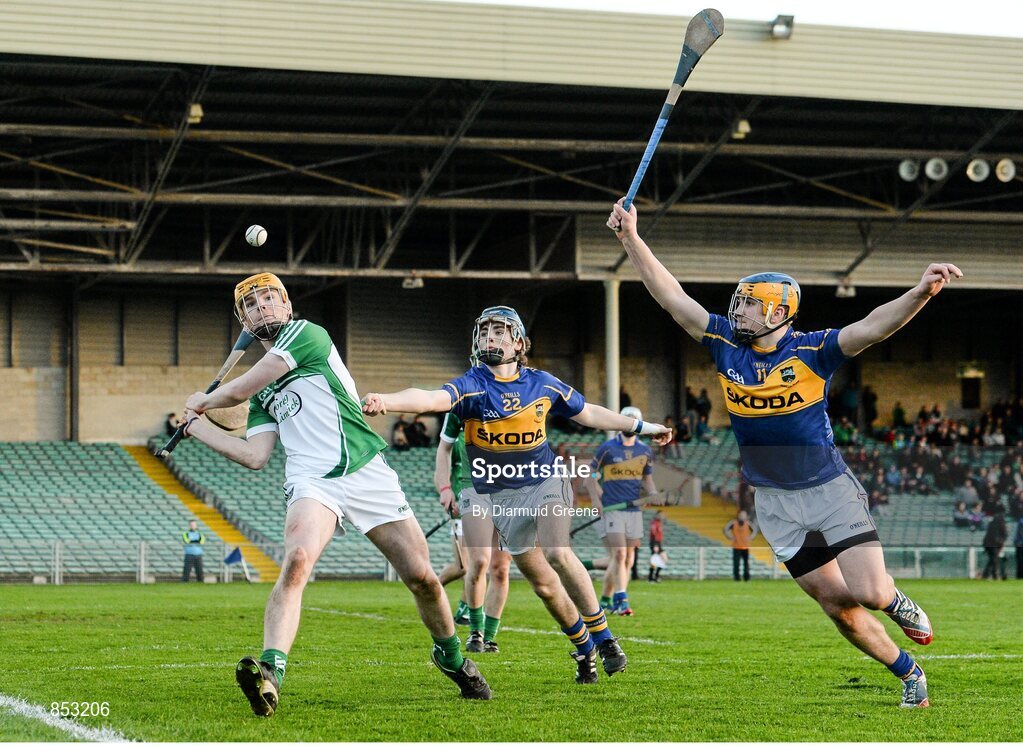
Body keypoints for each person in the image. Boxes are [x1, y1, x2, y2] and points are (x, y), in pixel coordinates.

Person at [609, 198, 960, 708]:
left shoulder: (814, 350)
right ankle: (909, 674)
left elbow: (873, 326)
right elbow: (671, 297)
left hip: (829, 491)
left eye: (750, 304)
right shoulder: (723, 342)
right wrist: (630, 238)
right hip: (773, 502)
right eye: (739, 302)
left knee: (869, 593)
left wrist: (920, 292)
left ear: (779, 312)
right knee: (838, 607)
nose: (739, 310)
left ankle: (895, 600)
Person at [179, 272, 491, 716]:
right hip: (312, 480)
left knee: (422, 577)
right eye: (251, 305)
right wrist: (196, 428)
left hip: (366, 470)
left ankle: (452, 658)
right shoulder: (263, 395)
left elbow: (242, 386)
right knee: (297, 561)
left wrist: (205, 399)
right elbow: (254, 455)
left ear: (287, 305)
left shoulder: (307, 334)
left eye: (269, 298)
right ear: (244, 321)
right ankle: (271, 673)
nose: (262, 307)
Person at [362, 305, 672, 684]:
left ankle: (605, 638)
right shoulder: (472, 385)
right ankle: (583, 647)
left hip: (546, 482)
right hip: (502, 497)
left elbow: (589, 413)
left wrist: (643, 427)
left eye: (498, 332)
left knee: (558, 552)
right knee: (544, 586)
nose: (488, 338)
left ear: (519, 343)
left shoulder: (542, 383)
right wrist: (387, 400)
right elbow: (429, 398)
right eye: (483, 332)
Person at [435, 411, 511, 653]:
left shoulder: (515, 405)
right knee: (475, 563)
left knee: (501, 568)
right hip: (473, 493)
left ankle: (489, 637)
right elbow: (444, 451)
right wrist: (445, 489)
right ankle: (475, 631)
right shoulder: (460, 409)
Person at [584, 406, 659, 616]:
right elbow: (590, 474)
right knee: (619, 554)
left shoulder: (645, 451)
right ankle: (622, 601)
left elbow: (647, 479)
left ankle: (605, 600)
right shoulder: (607, 448)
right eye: (627, 419)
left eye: (634, 420)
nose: (630, 424)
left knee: (627, 560)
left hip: (633, 510)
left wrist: (653, 493)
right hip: (612, 508)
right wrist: (595, 497)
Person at [724, 510, 758, 582]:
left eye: (744, 515)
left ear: (746, 516)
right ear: (738, 515)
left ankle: (746, 578)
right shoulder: (733, 523)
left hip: (745, 547)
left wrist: (750, 537)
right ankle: (737, 578)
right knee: (736, 563)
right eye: (741, 515)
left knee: (746, 563)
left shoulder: (748, 523)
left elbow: (755, 530)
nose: (742, 516)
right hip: (736, 547)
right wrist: (730, 537)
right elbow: (725, 529)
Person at [981, 509, 1008, 580]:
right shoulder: (999, 522)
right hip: (993, 544)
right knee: (994, 560)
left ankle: (986, 575)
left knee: (992, 560)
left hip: (989, 544)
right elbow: (999, 536)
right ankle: (994, 575)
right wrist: (1000, 543)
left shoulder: (993, 522)